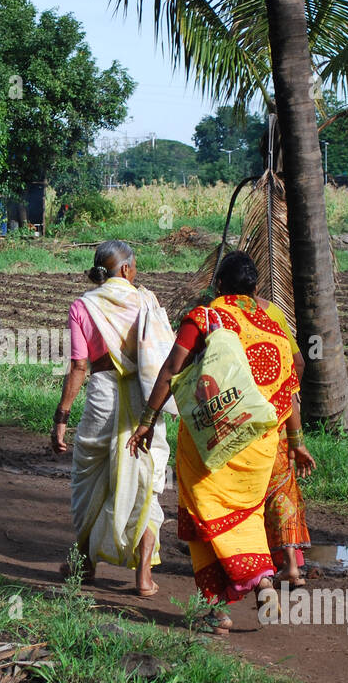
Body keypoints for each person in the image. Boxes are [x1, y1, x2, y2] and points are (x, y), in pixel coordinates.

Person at [127, 251, 314, 630]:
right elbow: (293, 381)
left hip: (210, 441)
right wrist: (295, 440)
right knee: (246, 516)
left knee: (201, 517)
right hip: (259, 445)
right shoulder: (272, 324)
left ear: (218, 285)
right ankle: (261, 579)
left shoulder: (206, 317)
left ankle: (219, 610)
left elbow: (171, 368)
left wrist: (148, 419)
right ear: (256, 288)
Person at [52, 240, 176, 597]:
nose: (136, 272)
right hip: (144, 401)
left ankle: (85, 564)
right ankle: (143, 577)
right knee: (146, 479)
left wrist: (62, 415)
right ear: (125, 270)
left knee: (91, 480)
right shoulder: (146, 302)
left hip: (102, 395)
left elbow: (79, 366)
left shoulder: (83, 306)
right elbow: (164, 357)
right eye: (134, 266)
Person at [257, 295, 315, 585]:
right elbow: (299, 363)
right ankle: (291, 565)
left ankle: (253, 566)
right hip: (277, 420)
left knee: (244, 493)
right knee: (282, 488)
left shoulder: (219, 314)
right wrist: (286, 396)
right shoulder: (273, 313)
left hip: (238, 422)